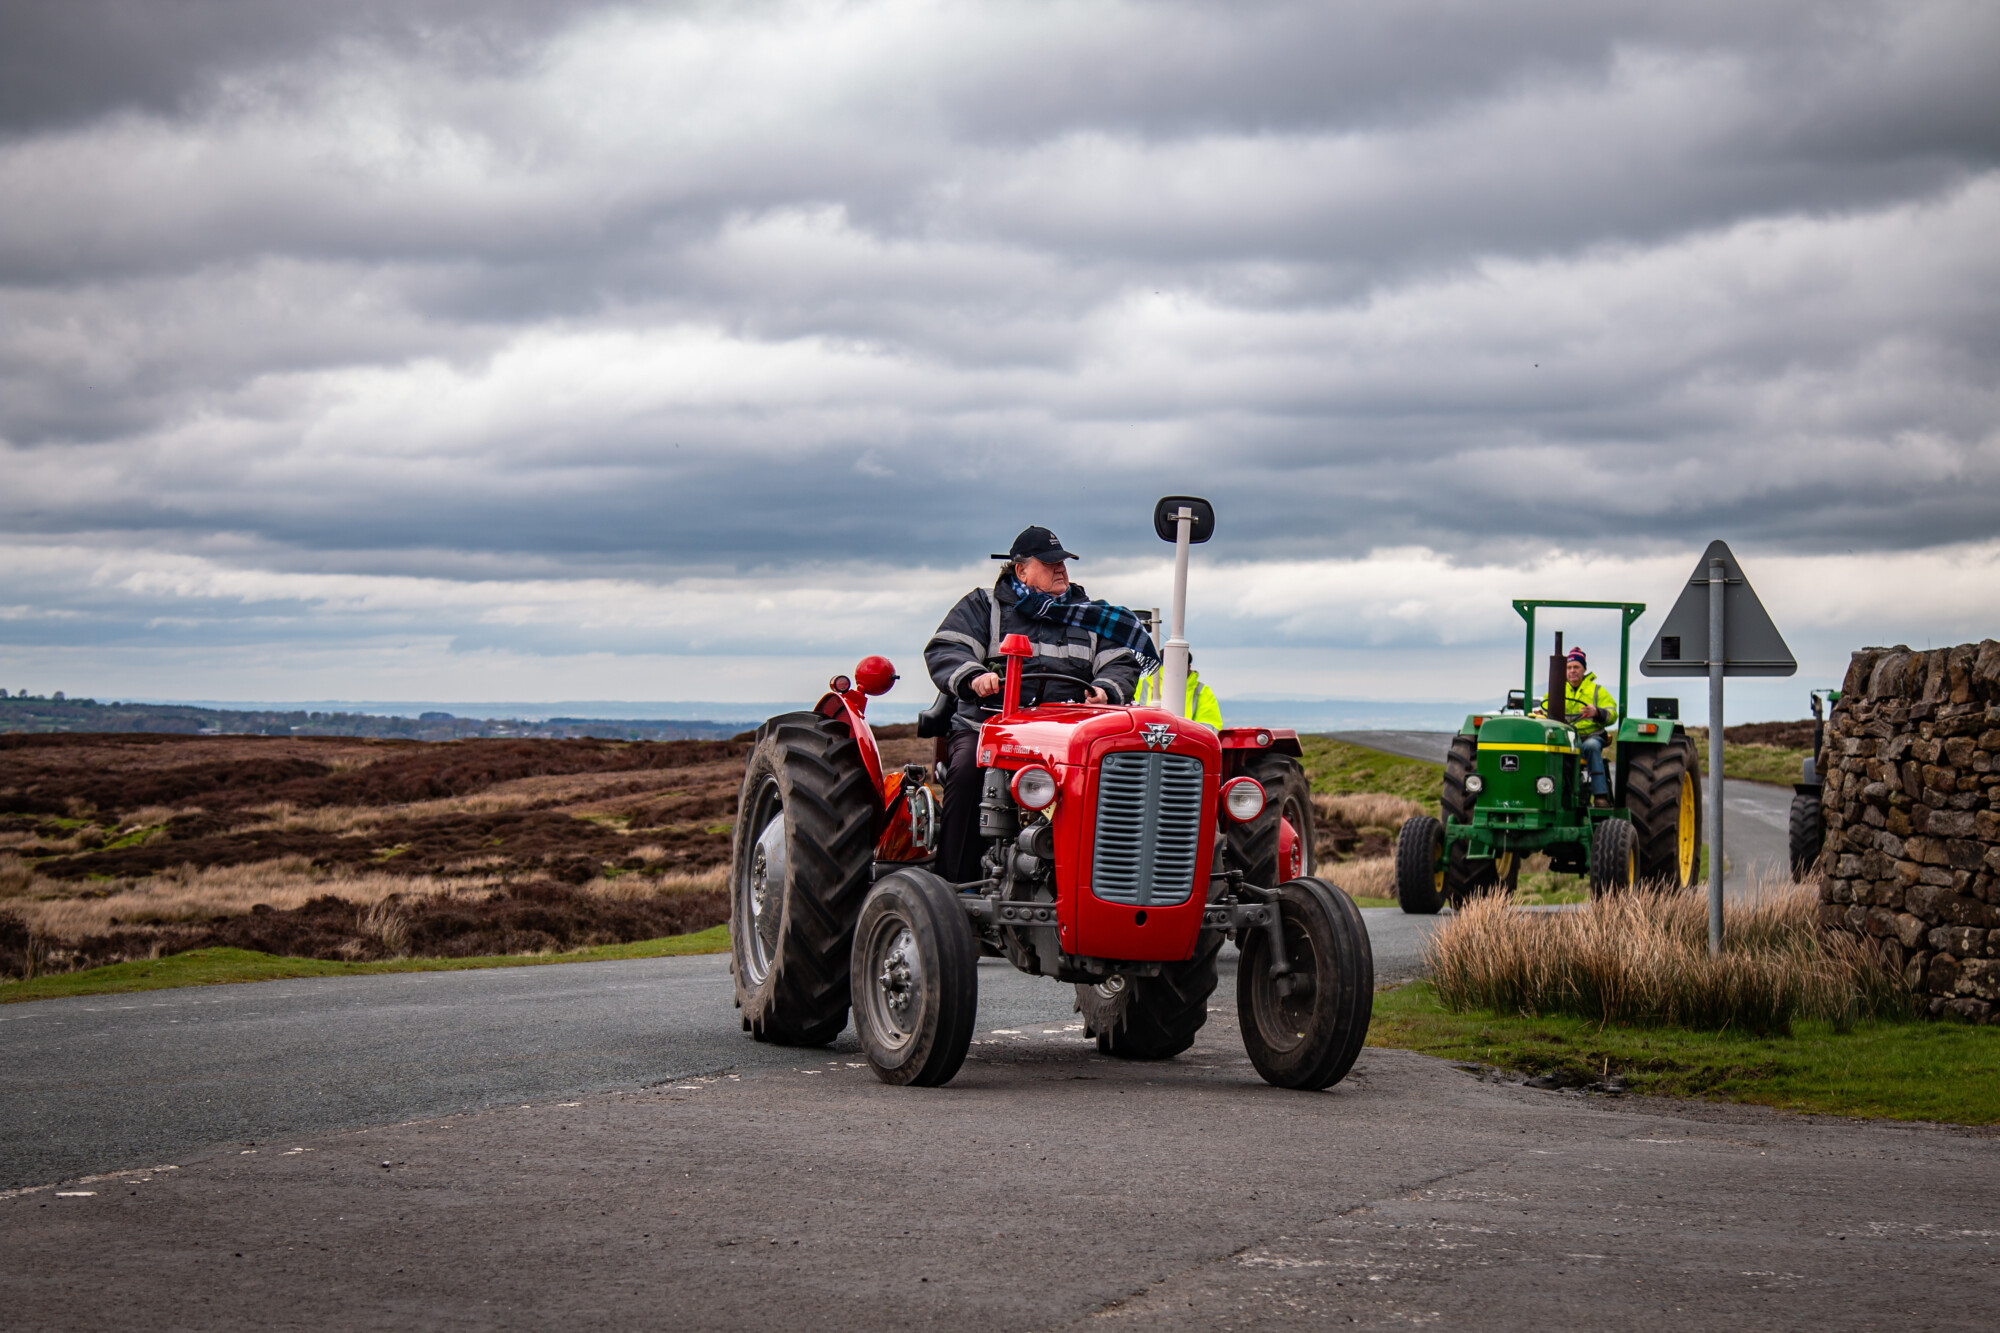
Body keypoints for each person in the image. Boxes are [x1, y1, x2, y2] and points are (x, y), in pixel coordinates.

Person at [924, 525, 1154, 883]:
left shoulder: (1092, 616)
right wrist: (974, 677)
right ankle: (955, 886)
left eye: (1062, 561)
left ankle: (1101, 881)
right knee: (969, 775)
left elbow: (1120, 663)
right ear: (1021, 570)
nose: (1060, 568)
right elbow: (947, 649)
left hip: (1067, 740)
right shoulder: (983, 606)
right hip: (989, 728)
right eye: (1049, 563)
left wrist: (1106, 689)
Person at [1543, 646, 1618, 802]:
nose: (1572, 671)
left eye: (1576, 667)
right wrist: (1540, 715)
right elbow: (1545, 709)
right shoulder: (1556, 691)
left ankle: (1600, 796)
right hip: (1565, 738)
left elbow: (1612, 714)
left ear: (1584, 669)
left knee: (1591, 747)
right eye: (1569, 667)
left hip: (1590, 737)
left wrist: (1597, 712)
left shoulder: (1597, 691)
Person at [1135, 651, 1222, 729]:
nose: (1176, 667)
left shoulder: (1201, 690)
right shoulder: (1141, 684)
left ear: (1189, 666)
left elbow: (1210, 727)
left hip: (1186, 745)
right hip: (1142, 742)